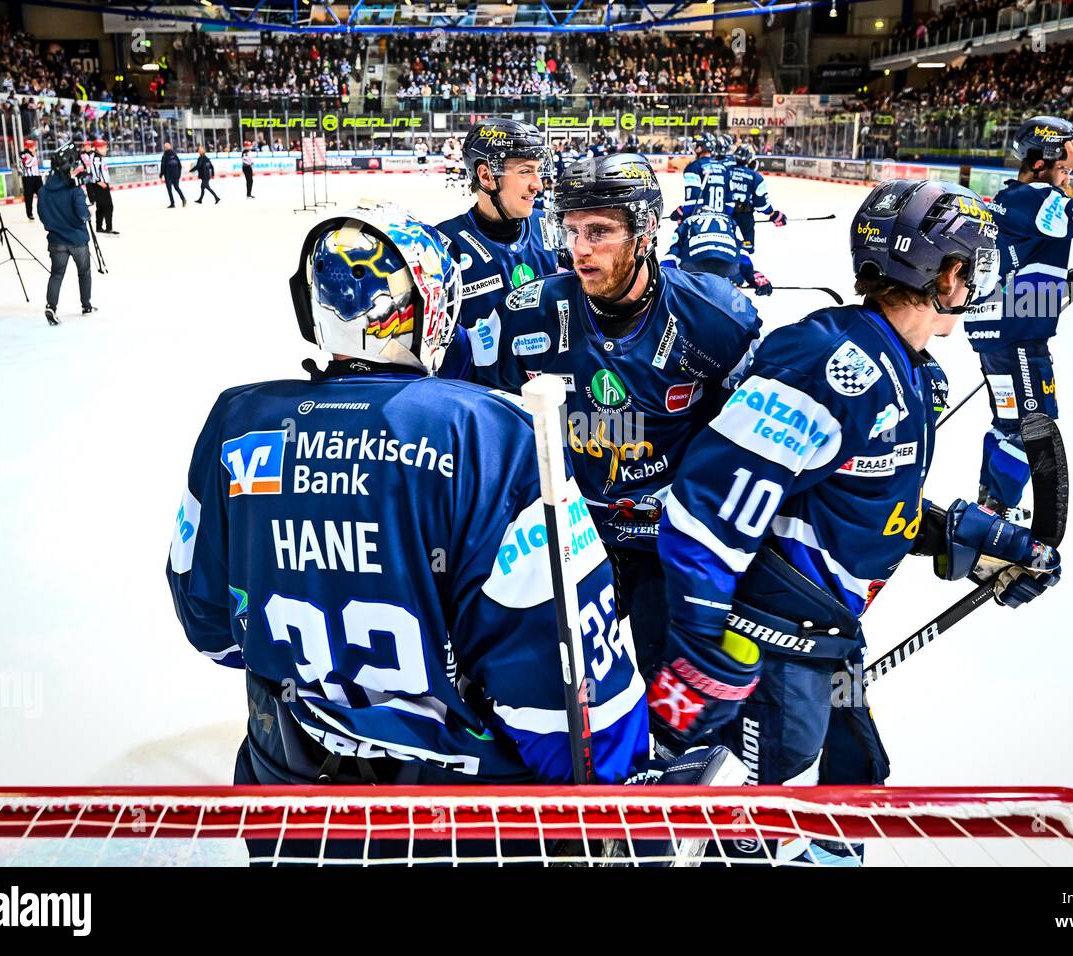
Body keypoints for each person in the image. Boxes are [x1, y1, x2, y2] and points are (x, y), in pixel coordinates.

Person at [166, 202, 648, 863]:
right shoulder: (489, 430)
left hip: (292, 794)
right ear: (434, 307)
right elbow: (567, 693)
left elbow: (210, 624)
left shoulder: (239, 420)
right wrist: (607, 782)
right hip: (455, 818)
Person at [649, 179, 1061, 864]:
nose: (977, 278)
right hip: (764, 647)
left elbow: (854, 497)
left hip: (819, 638)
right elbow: (708, 504)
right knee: (767, 798)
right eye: (972, 263)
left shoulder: (897, 365)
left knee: (854, 775)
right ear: (946, 272)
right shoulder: (832, 365)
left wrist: (967, 536)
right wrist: (699, 646)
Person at [440, 154, 762, 679]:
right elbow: (466, 406)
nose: (579, 250)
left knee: (677, 692)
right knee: (536, 681)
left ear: (646, 232)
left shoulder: (715, 317)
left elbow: (758, 440)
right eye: (570, 231)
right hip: (573, 533)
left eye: (600, 231)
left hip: (671, 539)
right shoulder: (532, 310)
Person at [962, 116, 1073, 519]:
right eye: (1063, 166)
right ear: (1041, 160)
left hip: (994, 329)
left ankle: (990, 503)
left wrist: (1065, 283)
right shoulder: (1036, 198)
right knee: (1035, 424)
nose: (1067, 175)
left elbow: (1016, 269)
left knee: (1007, 422)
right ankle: (998, 513)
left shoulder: (1007, 201)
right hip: (1019, 335)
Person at [433, 118, 561, 339]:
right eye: (525, 171)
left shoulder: (551, 226)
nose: (538, 185)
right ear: (487, 176)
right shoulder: (443, 245)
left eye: (538, 171)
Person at [38, 144, 96, 326]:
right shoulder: (75, 191)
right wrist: (88, 213)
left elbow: (41, 215)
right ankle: (86, 305)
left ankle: (51, 306)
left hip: (56, 240)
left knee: (56, 274)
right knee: (84, 272)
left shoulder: (43, 191)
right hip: (77, 240)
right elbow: (83, 215)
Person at [663, 206, 772, 295]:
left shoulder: (687, 221)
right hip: (729, 269)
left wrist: (661, 277)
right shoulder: (729, 220)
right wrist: (752, 275)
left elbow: (673, 253)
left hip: (694, 268)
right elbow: (742, 252)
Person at [726, 143, 787, 253]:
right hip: (744, 219)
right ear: (750, 160)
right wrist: (774, 215)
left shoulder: (725, 171)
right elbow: (761, 205)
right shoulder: (755, 177)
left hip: (723, 215)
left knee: (724, 248)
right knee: (744, 251)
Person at [91, 140, 117, 234]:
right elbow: (93, 169)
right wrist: (98, 181)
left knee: (101, 206)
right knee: (108, 206)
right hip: (101, 185)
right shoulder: (97, 158)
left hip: (101, 184)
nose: (106, 149)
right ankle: (108, 227)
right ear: (98, 148)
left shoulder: (99, 157)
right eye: (105, 147)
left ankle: (100, 227)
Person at [18, 139, 42, 221]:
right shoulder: (24, 154)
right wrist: (33, 154)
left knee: (42, 194)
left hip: (37, 176)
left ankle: (44, 211)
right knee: (29, 197)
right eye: (32, 146)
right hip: (28, 178)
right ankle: (30, 214)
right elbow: (27, 164)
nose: (34, 147)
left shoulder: (33, 153)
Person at [160, 141, 186, 208]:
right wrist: (179, 174)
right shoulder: (175, 155)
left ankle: (172, 203)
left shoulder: (165, 156)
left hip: (168, 175)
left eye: (165, 147)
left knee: (169, 189)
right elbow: (179, 165)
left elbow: (163, 166)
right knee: (177, 187)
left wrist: (161, 174)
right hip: (176, 174)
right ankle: (183, 199)